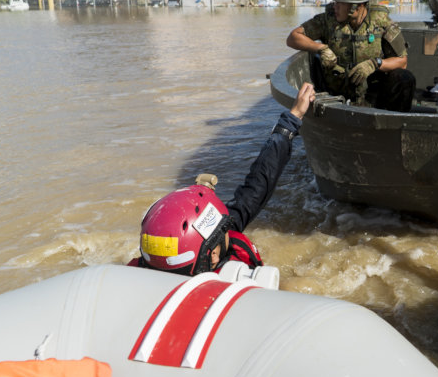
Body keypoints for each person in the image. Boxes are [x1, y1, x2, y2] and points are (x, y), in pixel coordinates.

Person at [129, 82, 316, 275]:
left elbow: (254, 190)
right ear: (214, 255)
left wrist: (291, 120)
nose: (227, 226)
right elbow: (256, 187)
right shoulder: (232, 282)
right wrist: (292, 120)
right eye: (223, 227)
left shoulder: (145, 273)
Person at [286, 0, 415, 112]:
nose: (335, 7)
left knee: (405, 78)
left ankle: (394, 124)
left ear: (356, 6)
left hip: (373, 92)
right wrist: (321, 48)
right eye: (334, 2)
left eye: (340, 3)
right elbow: (293, 38)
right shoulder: (328, 20)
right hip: (336, 94)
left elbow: (402, 61)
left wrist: (375, 64)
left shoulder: (380, 22)